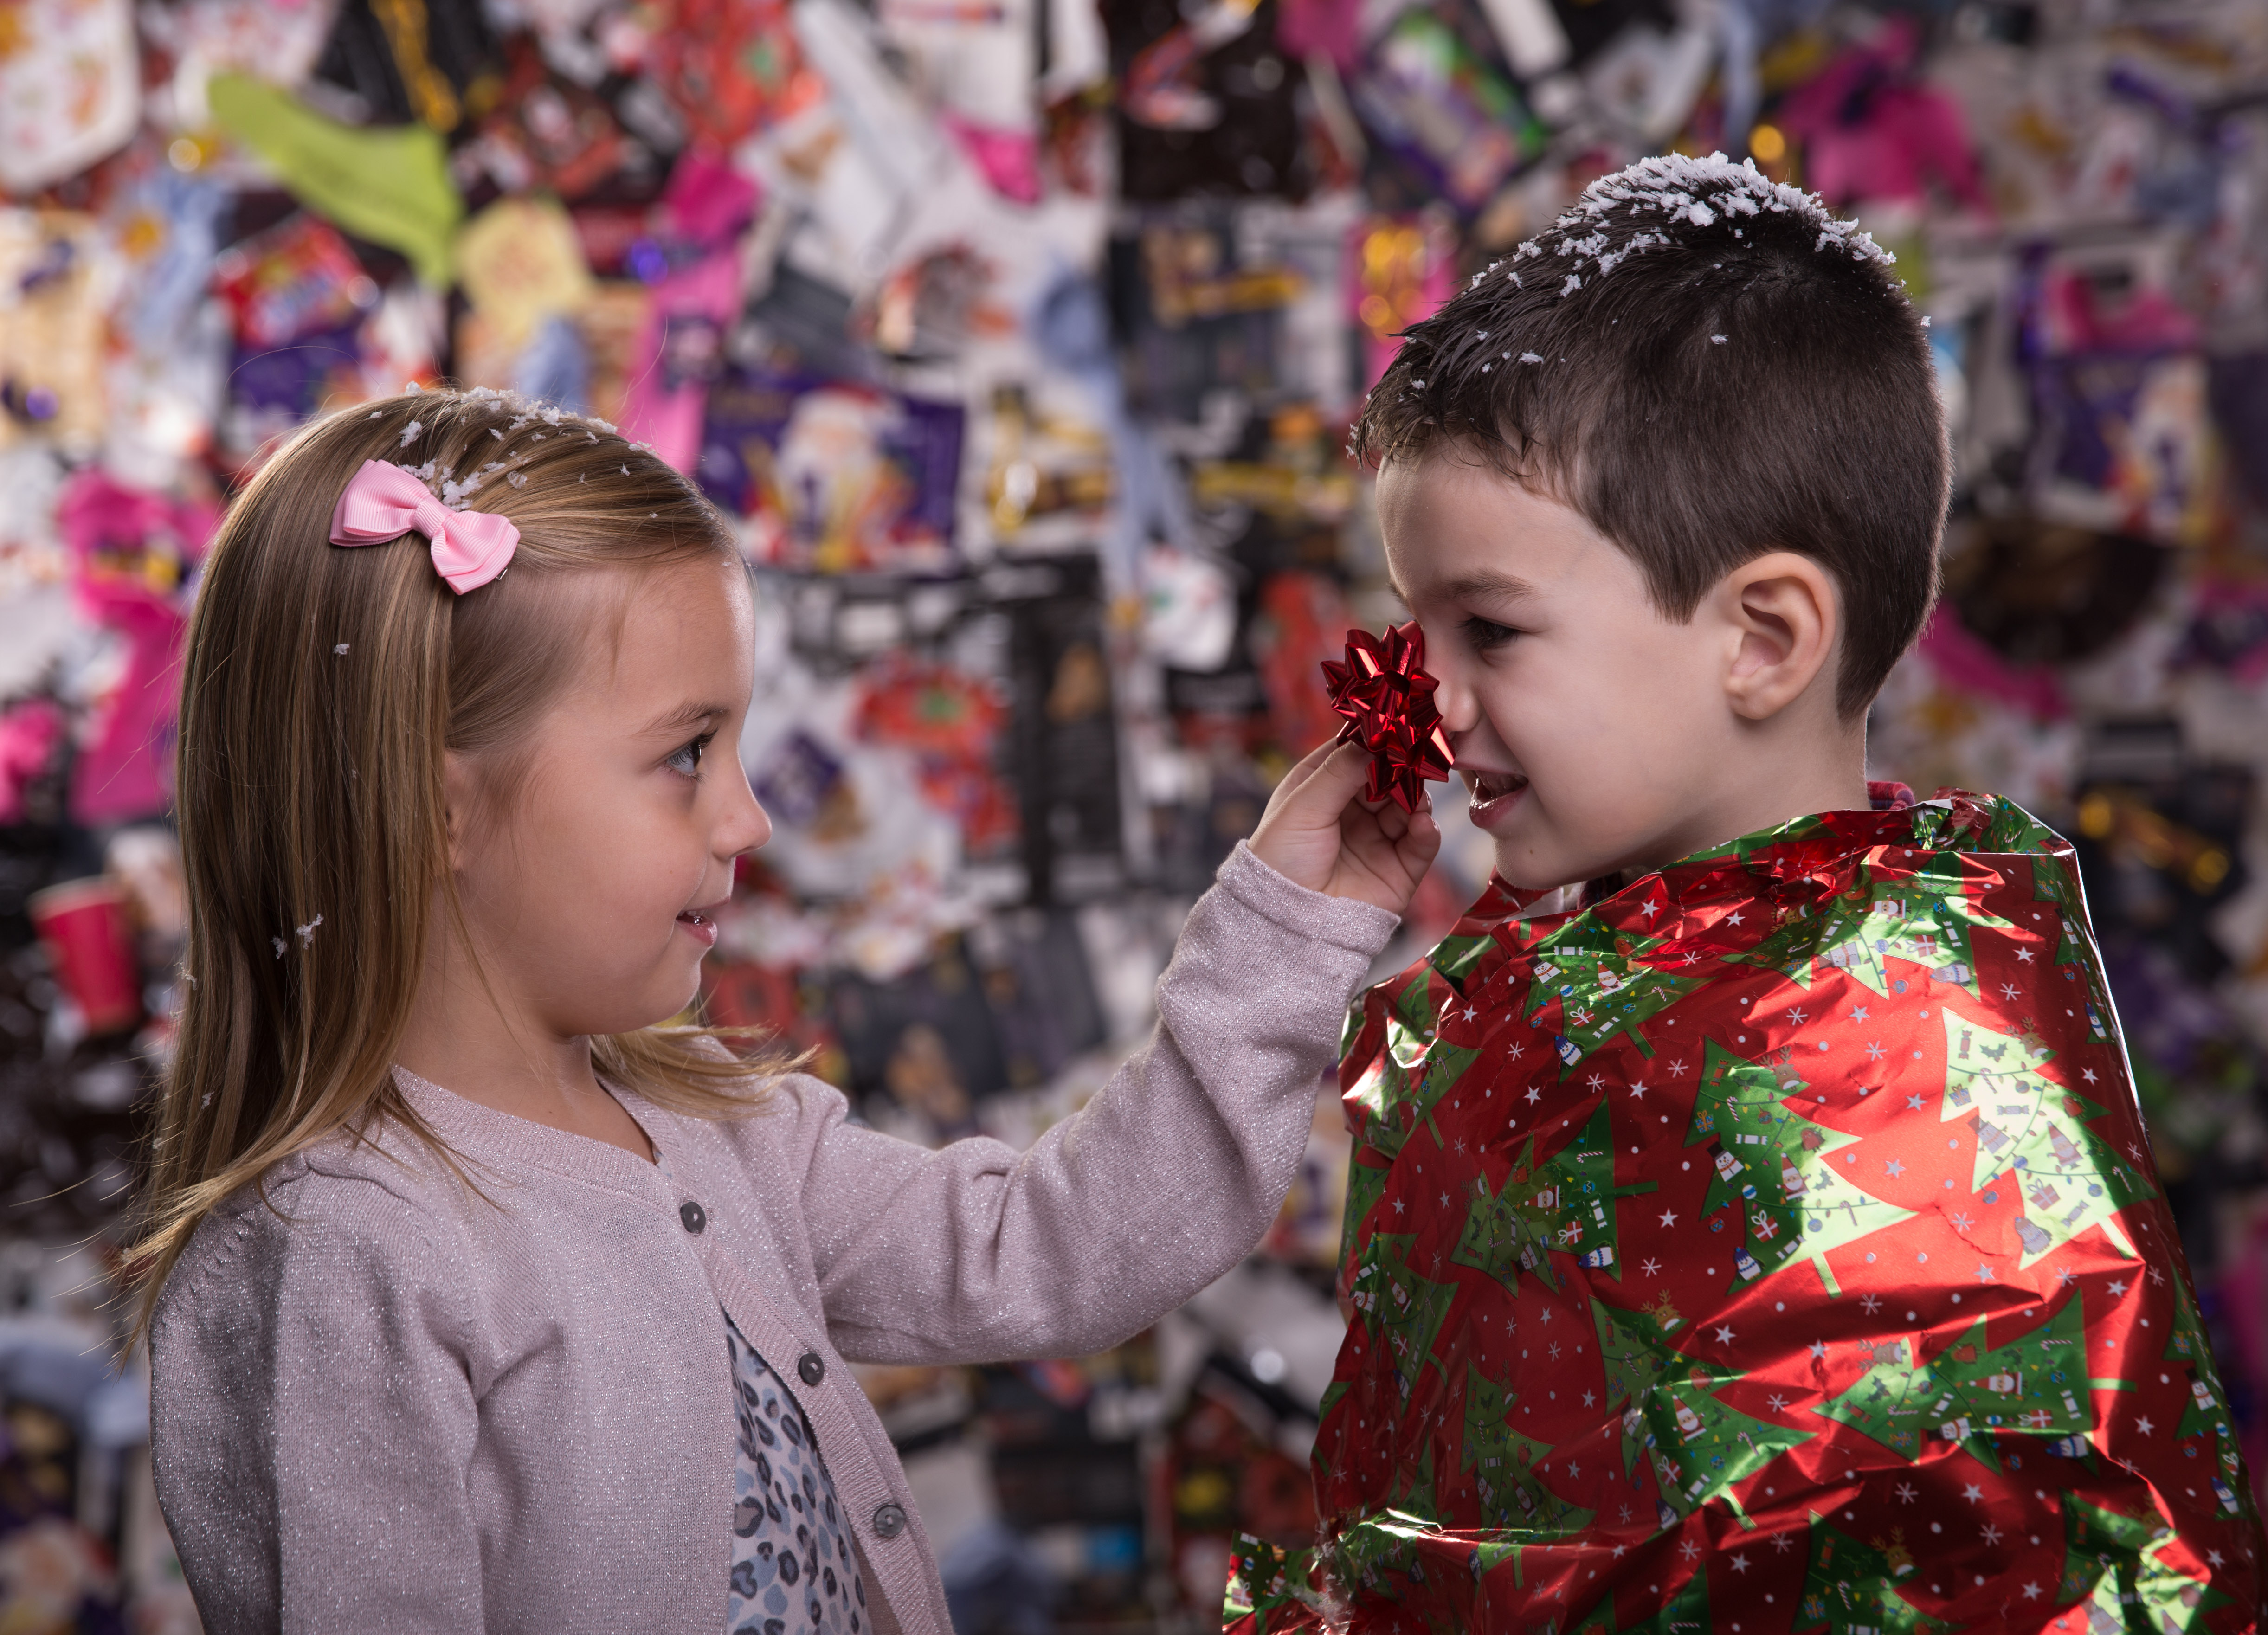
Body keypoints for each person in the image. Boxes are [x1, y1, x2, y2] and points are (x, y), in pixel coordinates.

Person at [131, 385, 1439, 1635]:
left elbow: (1058, 1246)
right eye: (687, 752)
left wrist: (1283, 924)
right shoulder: (349, 1256)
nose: (749, 818)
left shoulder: (720, 1137)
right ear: (435, 805)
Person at [1225, 154, 2263, 1632]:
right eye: (1413, 622)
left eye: (1492, 629)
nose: (1422, 698)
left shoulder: (1909, 1075)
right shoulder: (1575, 971)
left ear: (1764, 638)